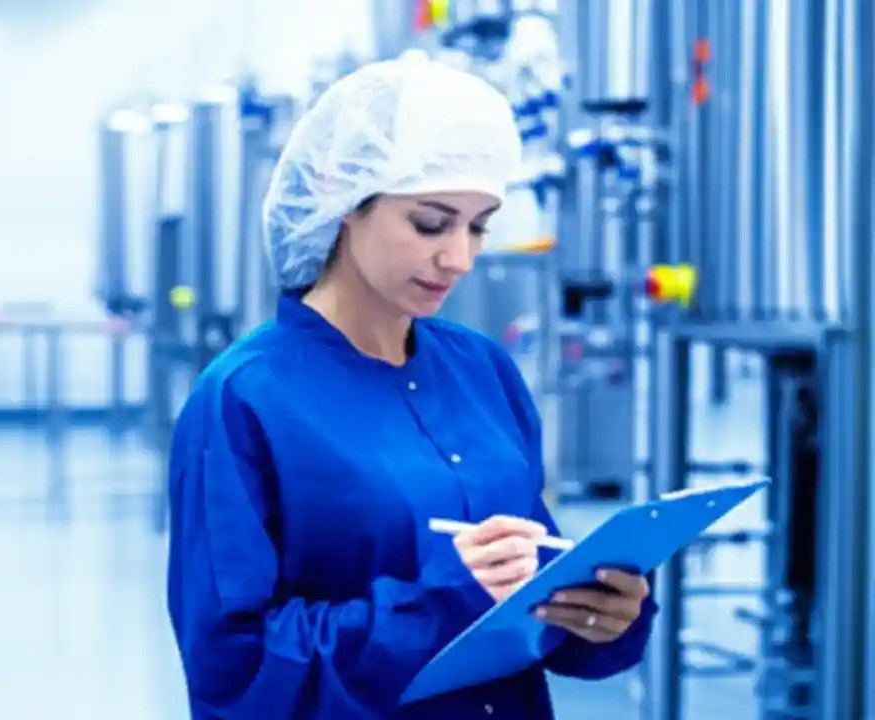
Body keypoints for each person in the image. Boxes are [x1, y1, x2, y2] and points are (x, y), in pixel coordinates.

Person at [165, 55, 655, 719]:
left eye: (479, 225)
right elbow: (236, 666)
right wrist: (444, 604)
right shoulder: (245, 401)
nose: (460, 258)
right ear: (344, 197)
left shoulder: (484, 371)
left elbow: (531, 584)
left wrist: (599, 612)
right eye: (430, 223)